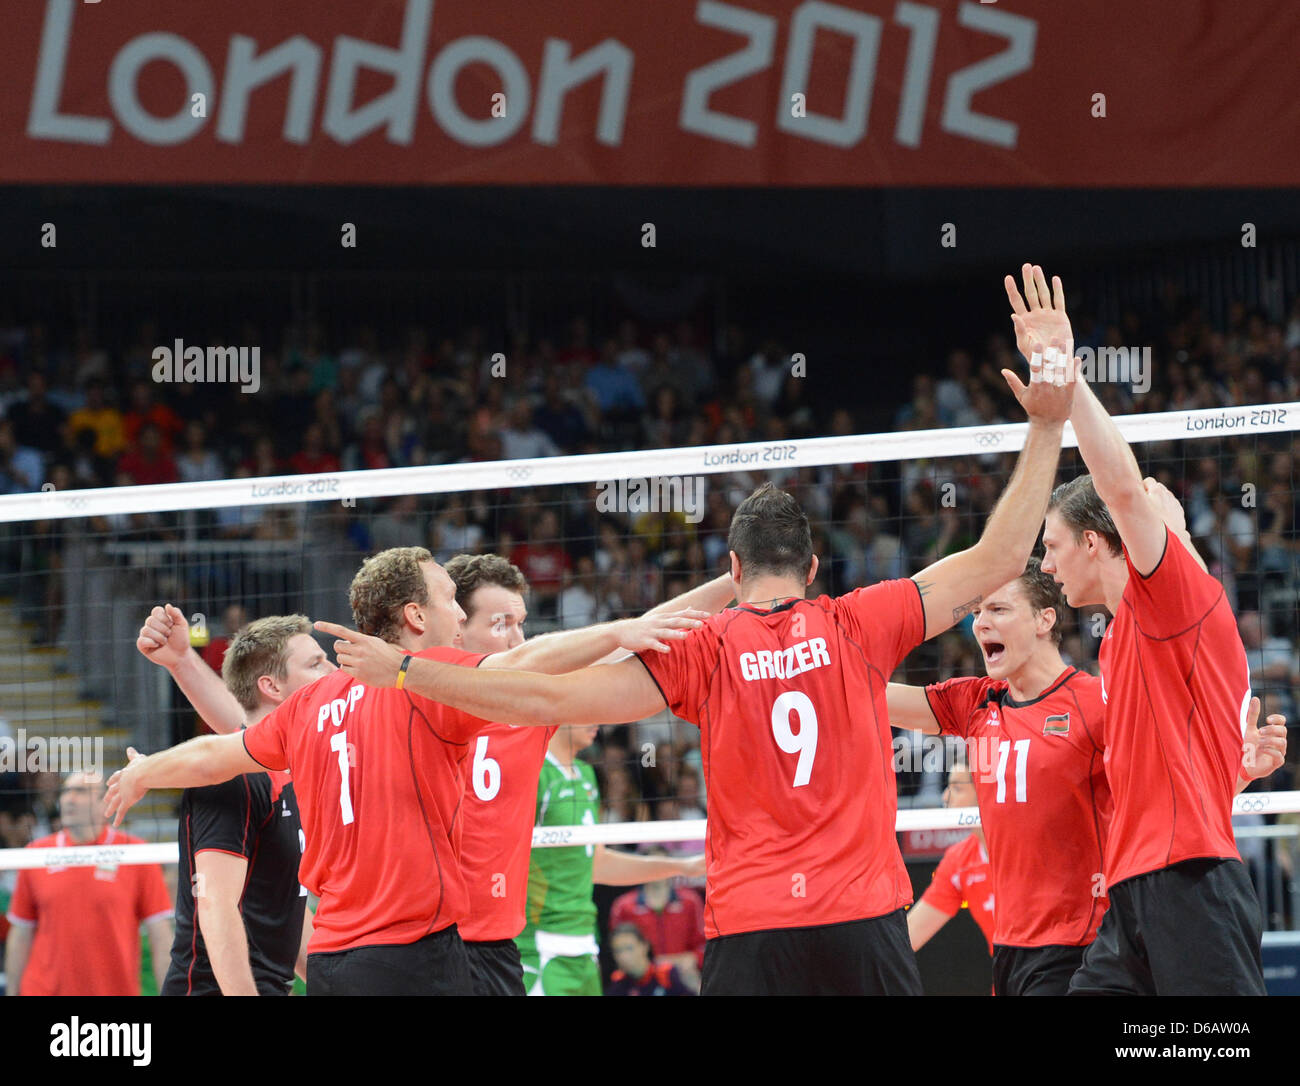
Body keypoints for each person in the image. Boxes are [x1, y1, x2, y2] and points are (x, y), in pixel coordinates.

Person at [315, 344, 1080, 995]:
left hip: (752, 928)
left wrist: (412, 673)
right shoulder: (859, 621)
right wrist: (1047, 422)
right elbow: (1001, 557)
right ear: (813, 567)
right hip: (863, 919)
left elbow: (540, 694)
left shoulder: (703, 649)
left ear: (734, 566)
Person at [106, 547, 706, 996]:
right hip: (413, 951)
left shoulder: (312, 705)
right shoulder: (423, 680)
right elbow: (521, 663)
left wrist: (143, 772)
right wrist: (617, 631)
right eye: (449, 599)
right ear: (416, 615)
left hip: (334, 958)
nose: (456, 610)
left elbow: (219, 752)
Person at [1009, 263, 1281, 995]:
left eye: (1053, 544)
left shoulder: (1170, 595)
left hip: (1189, 887)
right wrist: (1233, 768)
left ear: (1096, 543)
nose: (1045, 562)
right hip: (1135, 893)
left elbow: (1121, 486)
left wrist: (1066, 375)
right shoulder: (1122, 634)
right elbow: (1177, 755)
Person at [445, 552, 722, 996]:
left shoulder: (531, 709)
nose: (518, 640)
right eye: (501, 624)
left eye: (522, 623)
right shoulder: (412, 698)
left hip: (501, 946)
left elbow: (642, 632)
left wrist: (735, 578)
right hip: (435, 941)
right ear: (455, 624)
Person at [136, 608, 326, 995]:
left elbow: (288, 909)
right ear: (273, 688)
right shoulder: (235, 777)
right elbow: (215, 908)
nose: (335, 671)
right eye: (317, 664)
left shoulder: (289, 772)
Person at [519, 723, 703, 997]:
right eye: (587, 711)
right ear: (560, 711)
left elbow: (597, 863)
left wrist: (682, 865)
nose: (597, 721)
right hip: (540, 947)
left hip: (585, 945)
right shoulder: (533, 774)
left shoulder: (586, 776)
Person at [5, 772, 172, 996]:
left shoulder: (136, 853)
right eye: (65, 792)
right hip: (43, 989)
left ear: (106, 802)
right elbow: (21, 933)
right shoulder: (36, 853)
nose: (69, 799)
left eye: (80, 792)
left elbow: (160, 934)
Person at [906, 762, 995, 958]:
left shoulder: (1025, 849)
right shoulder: (959, 860)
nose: (945, 797)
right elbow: (910, 934)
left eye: (956, 788)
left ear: (985, 790)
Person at [609, 852, 706, 987]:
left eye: (663, 864)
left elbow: (705, 945)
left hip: (683, 973)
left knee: (694, 979)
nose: (658, 869)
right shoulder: (623, 906)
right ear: (642, 868)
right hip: (641, 976)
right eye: (652, 864)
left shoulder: (691, 901)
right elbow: (618, 949)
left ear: (672, 866)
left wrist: (694, 958)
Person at [607, 924, 694, 996]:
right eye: (617, 951)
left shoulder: (667, 974)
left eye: (629, 948)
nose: (623, 956)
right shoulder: (617, 982)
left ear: (645, 946)